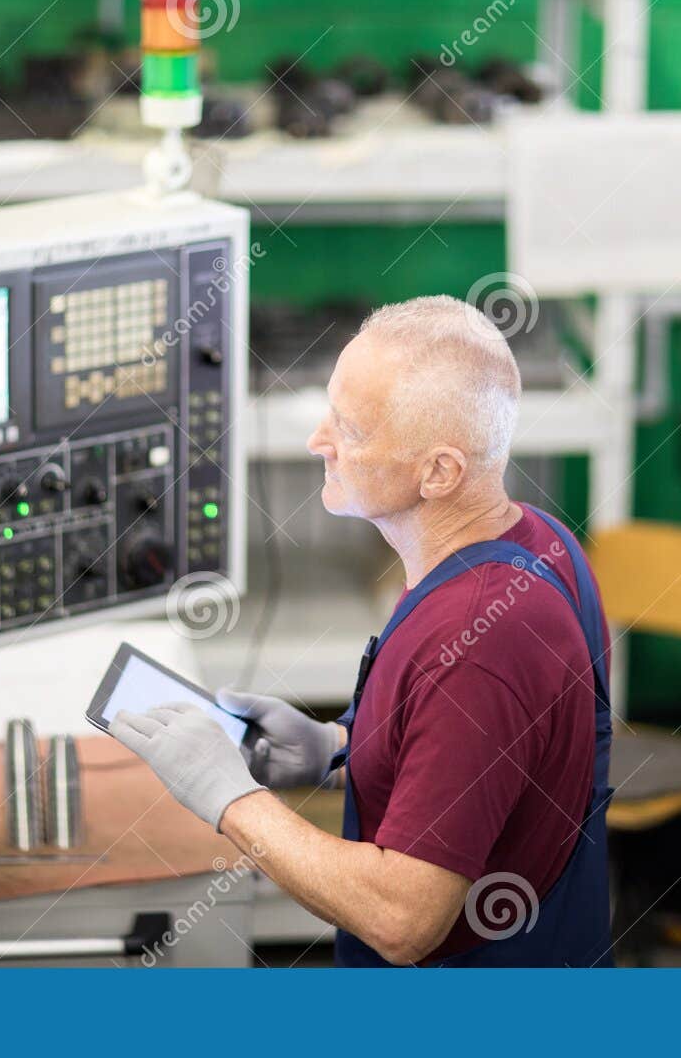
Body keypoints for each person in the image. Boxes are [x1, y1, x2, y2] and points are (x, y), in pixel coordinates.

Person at [110, 296, 613, 966]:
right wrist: (339, 748)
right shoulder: (537, 541)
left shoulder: (480, 639)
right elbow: (480, 759)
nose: (319, 441)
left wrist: (230, 797)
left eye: (349, 429)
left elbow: (402, 918)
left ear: (439, 472)